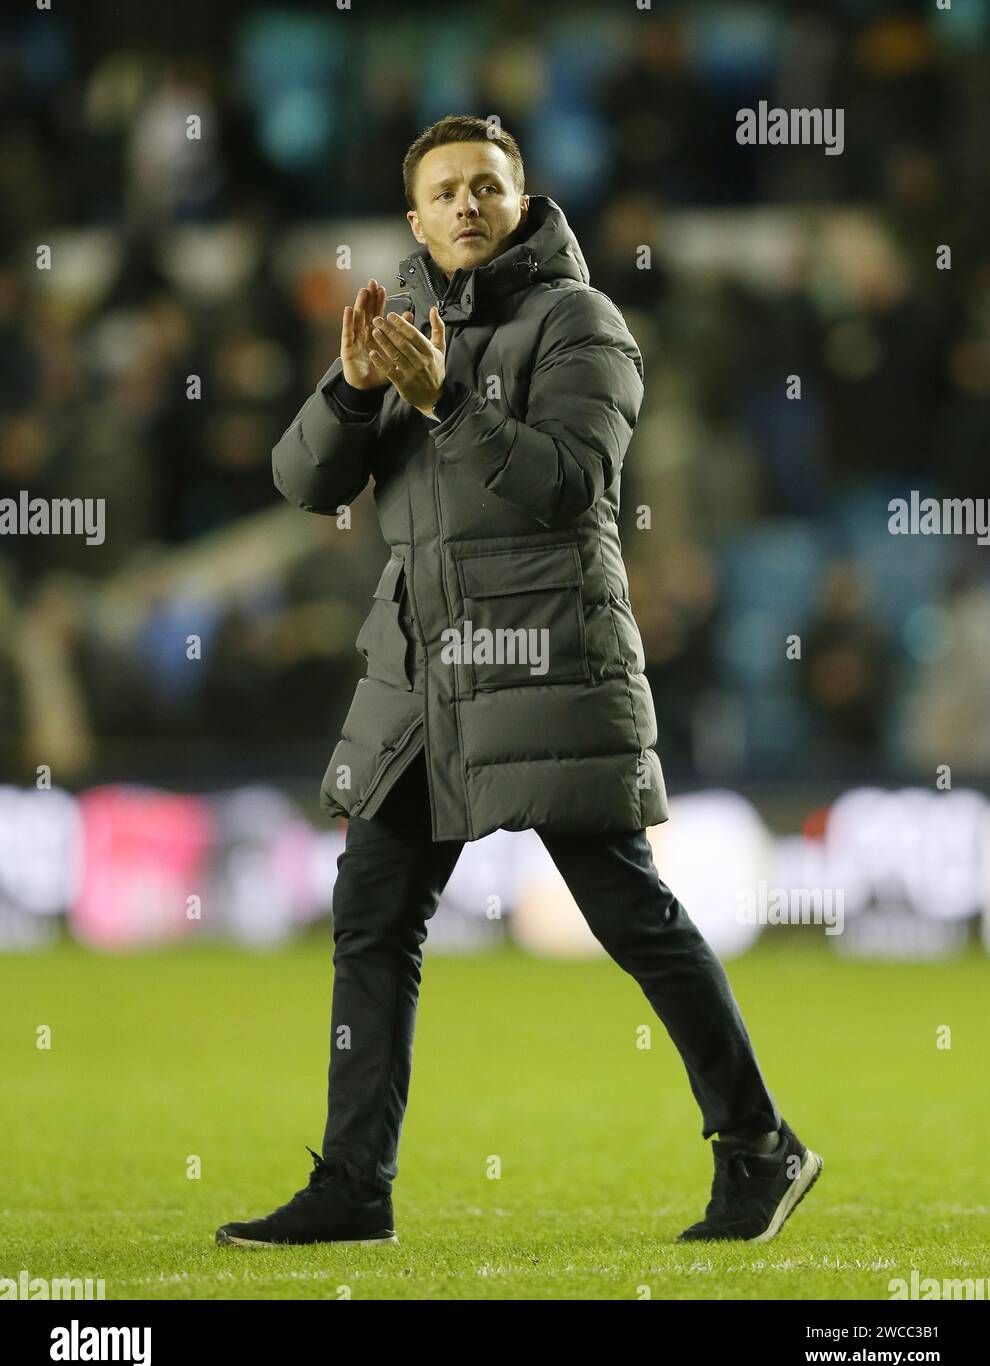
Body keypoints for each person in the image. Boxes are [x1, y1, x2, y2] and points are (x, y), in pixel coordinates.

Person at [215, 115, 822, 1249]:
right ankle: (355, 1184)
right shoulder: (399, 326)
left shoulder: (582, 322)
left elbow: (568, 483)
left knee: (630, 913)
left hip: (547, 661)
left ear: (523, 198)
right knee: (373, 921)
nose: (464, 205)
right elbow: (299, 479)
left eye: (485, 186)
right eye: (443, 191)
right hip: (418, 678)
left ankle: (759, 1144)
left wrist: (452, 400)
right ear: (415, 219)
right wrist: (352, 393)